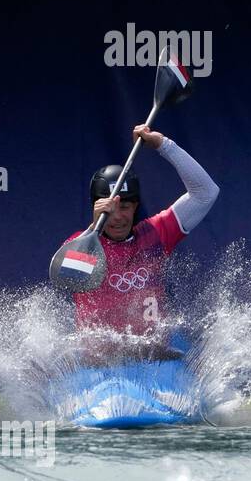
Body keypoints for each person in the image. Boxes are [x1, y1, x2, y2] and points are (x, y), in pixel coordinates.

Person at [65, 124, 219, 348]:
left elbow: (206, 193)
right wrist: (93, 226)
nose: (117, 217)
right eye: (109, 209)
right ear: (96, 208)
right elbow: (67, 277)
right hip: (98, 370)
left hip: (156, 362)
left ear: (136, 206)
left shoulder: (155, 233)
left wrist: (163, 144)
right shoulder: (81, 243)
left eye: (125, 206)